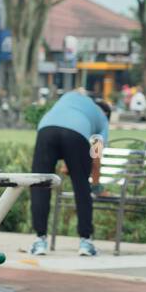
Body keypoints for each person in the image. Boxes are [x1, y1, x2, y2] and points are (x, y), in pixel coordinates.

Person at [28, 89, 111, 257]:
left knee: (40, 183)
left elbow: (62, 130)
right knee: (82, 187)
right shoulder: (102, 120)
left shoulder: (71, 98)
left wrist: (69, 162)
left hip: (46, 129)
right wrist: (95, 186)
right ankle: (85, 242)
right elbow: (95, 157)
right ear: (107, 113)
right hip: (77, 134)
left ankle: (40, 241)